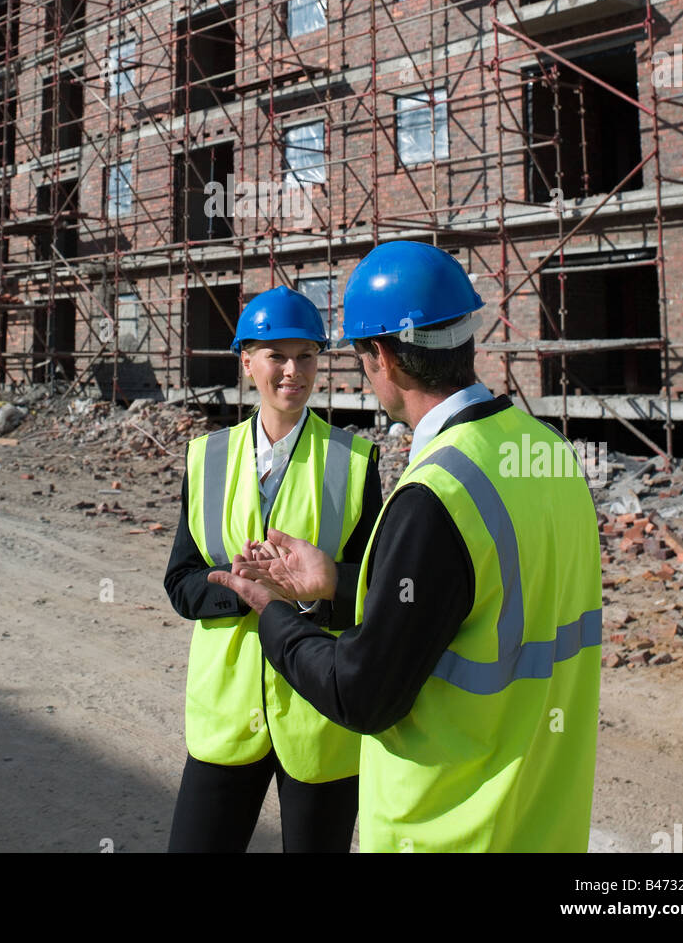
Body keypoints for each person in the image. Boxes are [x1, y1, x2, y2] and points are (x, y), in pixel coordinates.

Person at [209, 241, 603, 853]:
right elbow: (470, 606)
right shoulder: (547, 451)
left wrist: (274, 615)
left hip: (450, 827)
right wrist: (338, 583)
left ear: (382, 358)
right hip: (545, 820)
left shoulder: (438, 492)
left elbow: (362, 693)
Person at [164, 284, 383, 853]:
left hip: (317, 716)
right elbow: (181, 584)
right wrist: (240, 592)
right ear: (246, 362)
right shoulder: (206, 459)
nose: (293, 370)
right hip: (227, 716)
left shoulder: (354, 462)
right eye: (276, 355)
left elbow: (372, 590)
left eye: (306, 355)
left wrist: (305, 596)